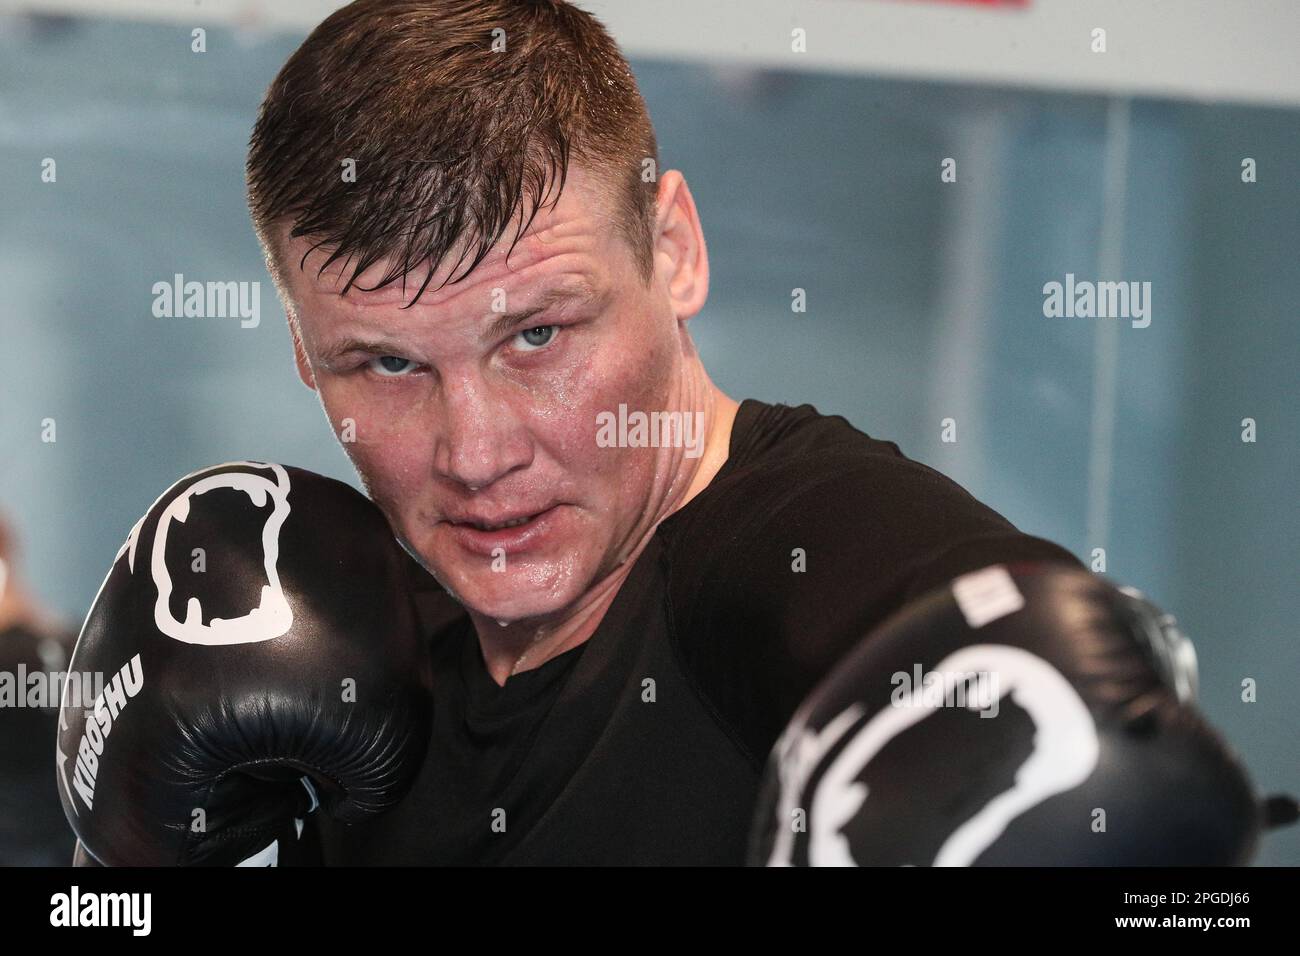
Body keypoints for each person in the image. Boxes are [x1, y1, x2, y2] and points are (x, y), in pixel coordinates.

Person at [60, 0, 1272, 865]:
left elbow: (1054, 699)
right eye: (385, 363)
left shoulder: (791, 549)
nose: (475, 453)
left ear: (675, 247)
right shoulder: (335, 620)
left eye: (537, 335)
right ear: (300, 349)